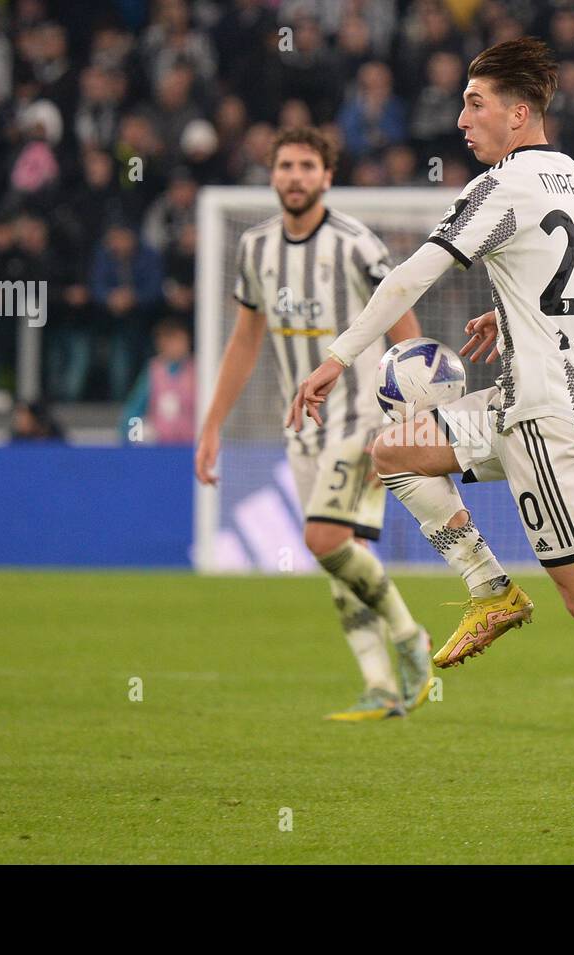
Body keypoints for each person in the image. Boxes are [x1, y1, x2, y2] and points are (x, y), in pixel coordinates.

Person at [289, 39, 574, 816]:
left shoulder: (501, 184)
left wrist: (338, 356)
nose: (462, 118)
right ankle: (489, 587)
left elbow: (410, 274)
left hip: (539, 418)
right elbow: (568, 288)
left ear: (519, 112)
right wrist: (508, 315)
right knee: (394, 451)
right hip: (544, 404)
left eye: (475, 104)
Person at [195, 127, 433, 722]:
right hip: (302, 426)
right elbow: (245, 342)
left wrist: (416, 413)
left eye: (307, 166)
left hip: (362, 418)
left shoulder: (355, 245)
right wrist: (212, 425)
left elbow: (402, 319)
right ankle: (379, 685)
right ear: (272, 175)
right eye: (285, 166)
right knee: (335, 552)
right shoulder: (255, 249)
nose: (295, 176)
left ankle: (410, 638)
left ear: (327, 177)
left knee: (324, 539)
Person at [122, 316, 195, 444]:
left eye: (182, 340)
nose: (179, 346)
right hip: (160, 446)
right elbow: (134, 411)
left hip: (192, 444)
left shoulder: (197, 371)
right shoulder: (153, 371)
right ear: (161, 343)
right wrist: (134, 441)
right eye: (173, 341)